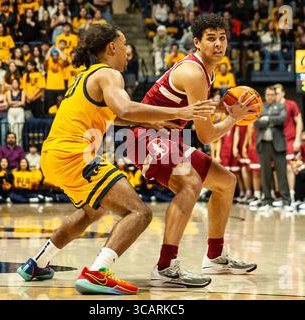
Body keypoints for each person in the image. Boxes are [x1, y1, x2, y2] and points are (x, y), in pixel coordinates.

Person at [16, 24, 215, 295]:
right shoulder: (109, 74)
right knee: (139, 213)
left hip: (53, 155)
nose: (127, 53)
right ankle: (98, 273)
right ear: (112, 47)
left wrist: (157, 120)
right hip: (75, 154)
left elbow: (115, 114)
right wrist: (182, 110)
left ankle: (37, 263)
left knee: (93, 210)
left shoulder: (87, 74)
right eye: (124, 46)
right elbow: (124, 107)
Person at [125, 13, 258, 287]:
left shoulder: (206, 69)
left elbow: (199, 112)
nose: (218, 44)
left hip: (165, 137)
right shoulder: (194, 72)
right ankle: (165, 266)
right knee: (190, 184)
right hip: (143, 136)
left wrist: (223, 108)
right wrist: (233, 118)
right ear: (197, 42)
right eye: (211, 39)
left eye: (222, 38)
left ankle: (215, 256)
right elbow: (206, 135)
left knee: (226, 182)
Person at [254, 86, 291, 210]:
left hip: (278, 145)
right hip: (264, 144)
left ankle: (286, 201)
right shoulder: (260, 106)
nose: (269, 97)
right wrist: (268, 121)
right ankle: (267, 201)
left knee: (281, 173)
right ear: (265, 95)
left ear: (276, 96)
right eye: (267, 94)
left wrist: (267, 119)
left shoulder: (281, 106)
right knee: (265, 174)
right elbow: (255, 122)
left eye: (272, 95)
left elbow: (282, 119)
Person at [274, 83, 303, 205]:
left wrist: (297, 139)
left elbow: (299, 121)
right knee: (278, 170)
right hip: (276, 142)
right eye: (275, 93)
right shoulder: (272, 107)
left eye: (278, 92)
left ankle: (291, 196)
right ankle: (282, 196)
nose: (276, 95)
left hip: (290, 140)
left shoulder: (291, 104)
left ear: (283, 93)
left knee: (289, 168)